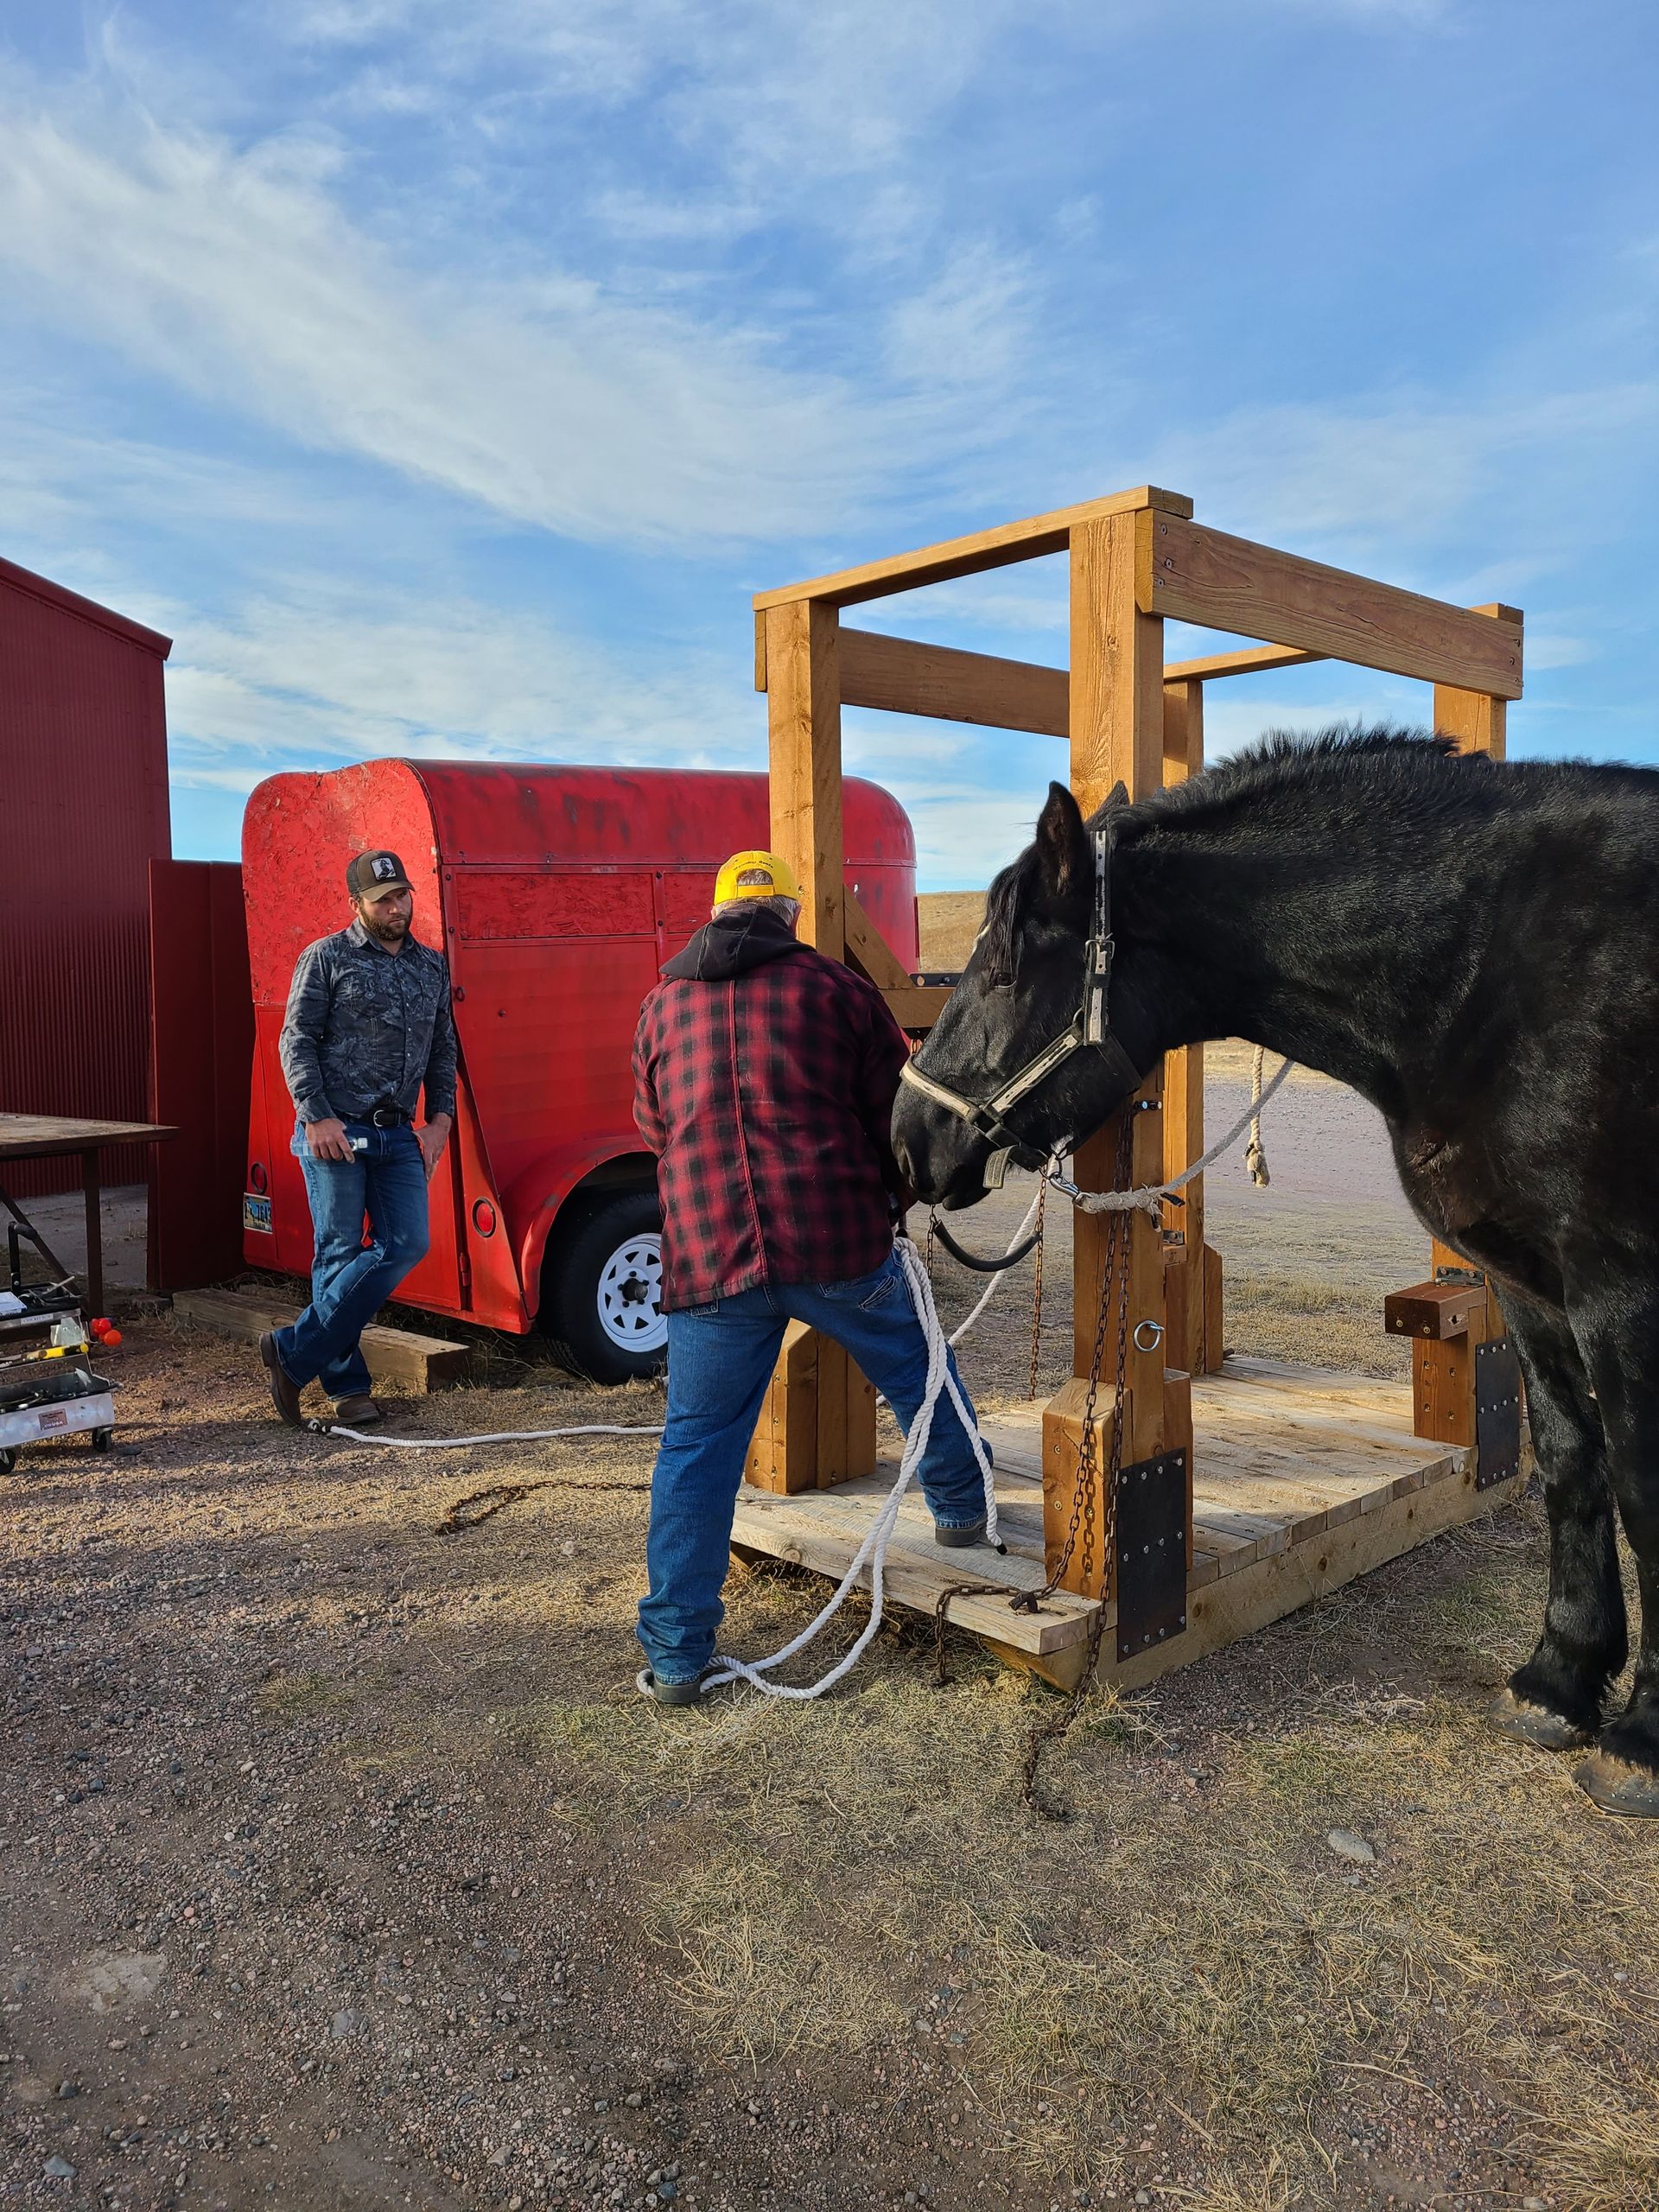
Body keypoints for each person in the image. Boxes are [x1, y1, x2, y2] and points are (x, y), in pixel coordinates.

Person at [630, 849, 991, 1705]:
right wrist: (897, 1196)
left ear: (714, 914)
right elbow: (897, 1116)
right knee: (921, 1372)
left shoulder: (659, 1005)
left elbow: (651, 1121)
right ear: (790, 914)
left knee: (697, 1446)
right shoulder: (836, 991)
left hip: (709, 1259)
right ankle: (962, 1513)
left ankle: (678, 1658)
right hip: (836, 1242)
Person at [259, 849, 457, 1428]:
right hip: (335, 1131)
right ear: (357, 905)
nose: (398, 907)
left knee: (407, 1243)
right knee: (340, 1252)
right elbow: (295, 1040)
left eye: (403, 895)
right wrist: (315, 1115)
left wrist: (440, 1121)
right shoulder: (325, 958)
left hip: (398, 1135)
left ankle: (293, 1353)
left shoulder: (431, 967)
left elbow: (443, 1047)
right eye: (383, 900)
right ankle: (347, 1390)